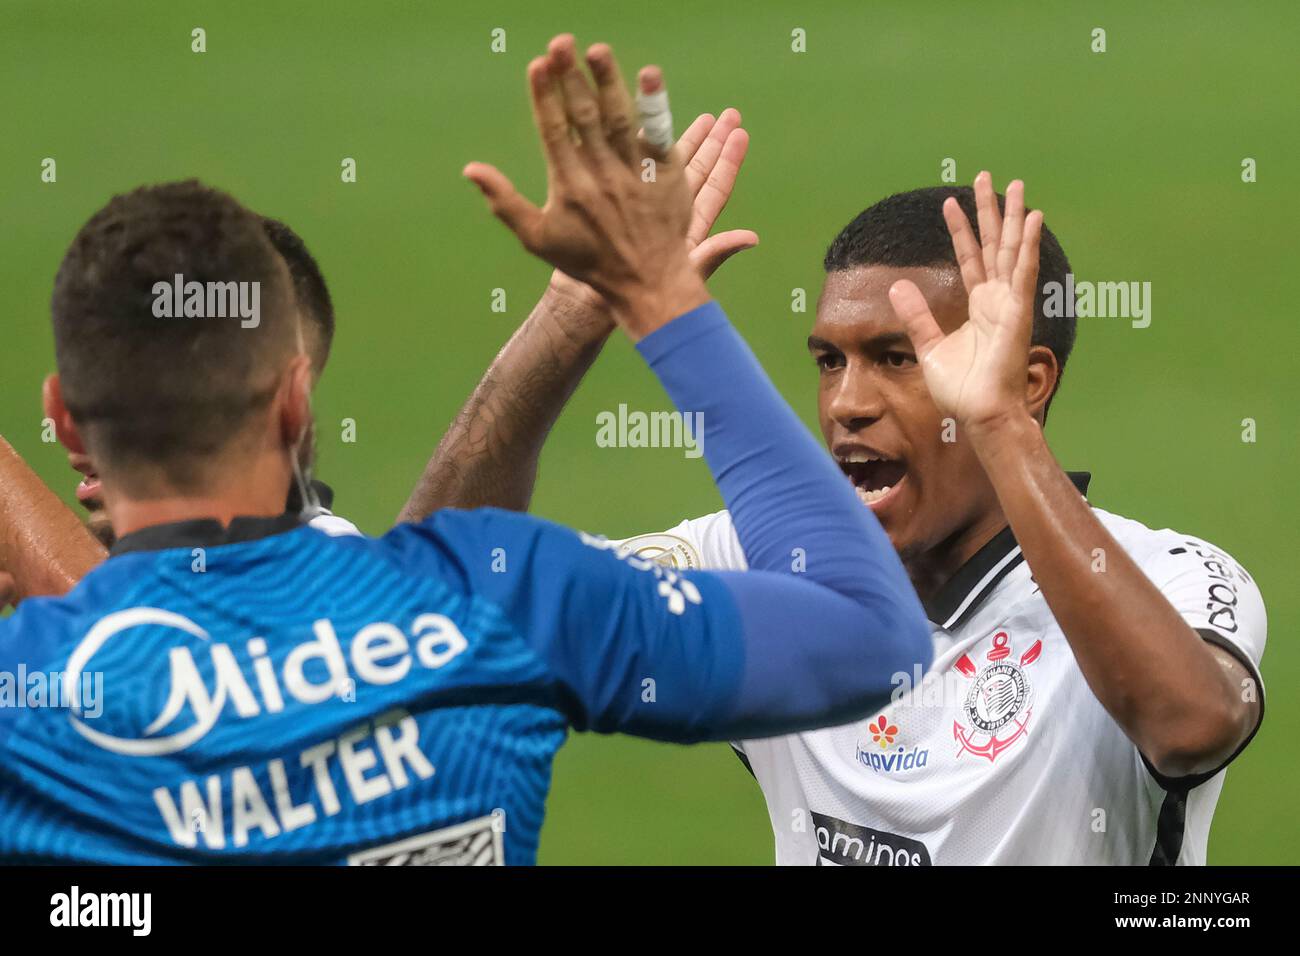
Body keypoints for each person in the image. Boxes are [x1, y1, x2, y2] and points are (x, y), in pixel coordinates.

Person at [0, 35, 930, 865]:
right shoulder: (499, 604)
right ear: (294, 401)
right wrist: (653, 294)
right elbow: (870, 635)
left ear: (67, 422)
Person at [405, 163, 1267, 865]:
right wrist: (576, 311)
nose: (846, 403)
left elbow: (1190, 725)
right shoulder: (755, 563)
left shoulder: (1171, 576)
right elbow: (433, 606)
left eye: (897, 358)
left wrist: (999, 426)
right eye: (828, 360)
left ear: (1031, 381)